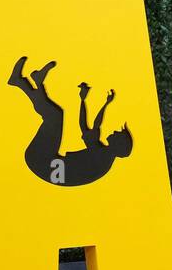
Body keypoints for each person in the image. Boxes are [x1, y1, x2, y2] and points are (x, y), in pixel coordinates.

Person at [8, 57, 133, 187]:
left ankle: (28, 82)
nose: (114, 131)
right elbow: (93, 127)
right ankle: (26, 82)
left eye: (118, 133)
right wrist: (88, 101)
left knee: (55, 117)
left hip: (41, 161)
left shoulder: (101, 156)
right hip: (45, 163)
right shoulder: (104, 155)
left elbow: (89, 127)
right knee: (55, 116)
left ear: (119, 144)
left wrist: (87, 101)